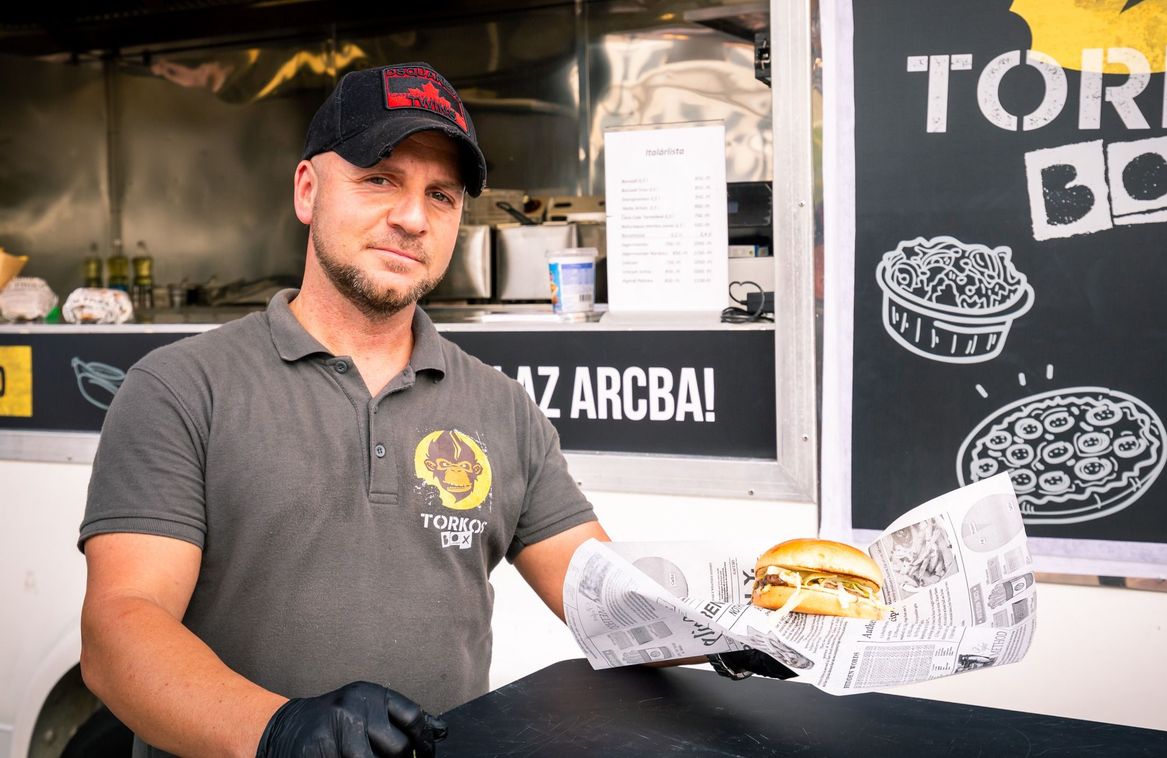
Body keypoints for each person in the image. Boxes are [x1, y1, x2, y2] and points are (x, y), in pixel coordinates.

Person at [78, 61, 788, 758]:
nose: (412, 218)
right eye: (379, 179)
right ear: (307, 190)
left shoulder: (501, 408)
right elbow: (120, 628)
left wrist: (737, 631)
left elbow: (608, 602)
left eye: (441, 195)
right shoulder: (182, 389)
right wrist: (278, 730)